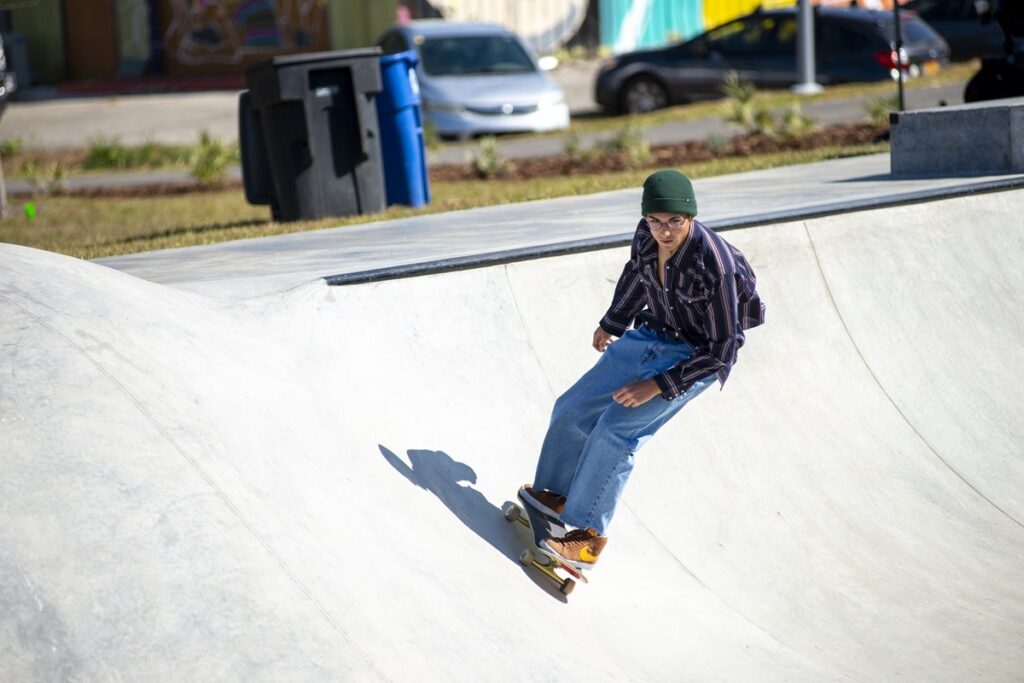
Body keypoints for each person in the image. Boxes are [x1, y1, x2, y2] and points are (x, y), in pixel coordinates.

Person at [520, 169, 765, 567]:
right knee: (572, 408)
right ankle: (555, 496)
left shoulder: (715, 266)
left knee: (615, 430)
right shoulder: (646, 235)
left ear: (690, 217)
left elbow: (723, 349)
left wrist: (658, 385)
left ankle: (585, 538)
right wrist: (612, 322)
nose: (664, 232)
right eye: (655, 221)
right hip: (652, 332)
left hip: (692, 356)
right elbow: (637, 274)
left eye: (674, 222)